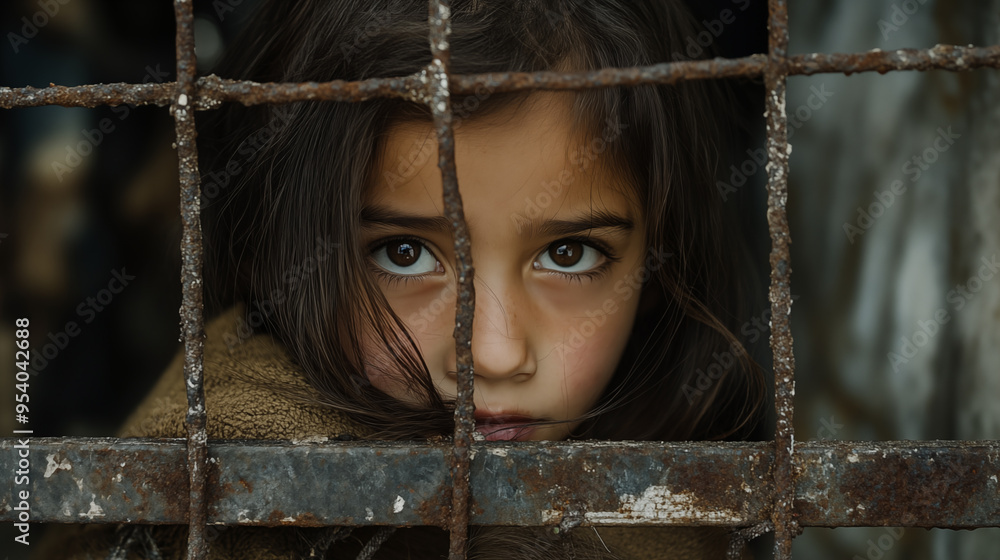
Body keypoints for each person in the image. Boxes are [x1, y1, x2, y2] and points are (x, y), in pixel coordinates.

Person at [39, 0, 766, 558]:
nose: (494, 353)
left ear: (659, 259)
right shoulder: (210, 501)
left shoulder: (677, 495)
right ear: (281, 251)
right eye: (405, 254)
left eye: (570, 254)